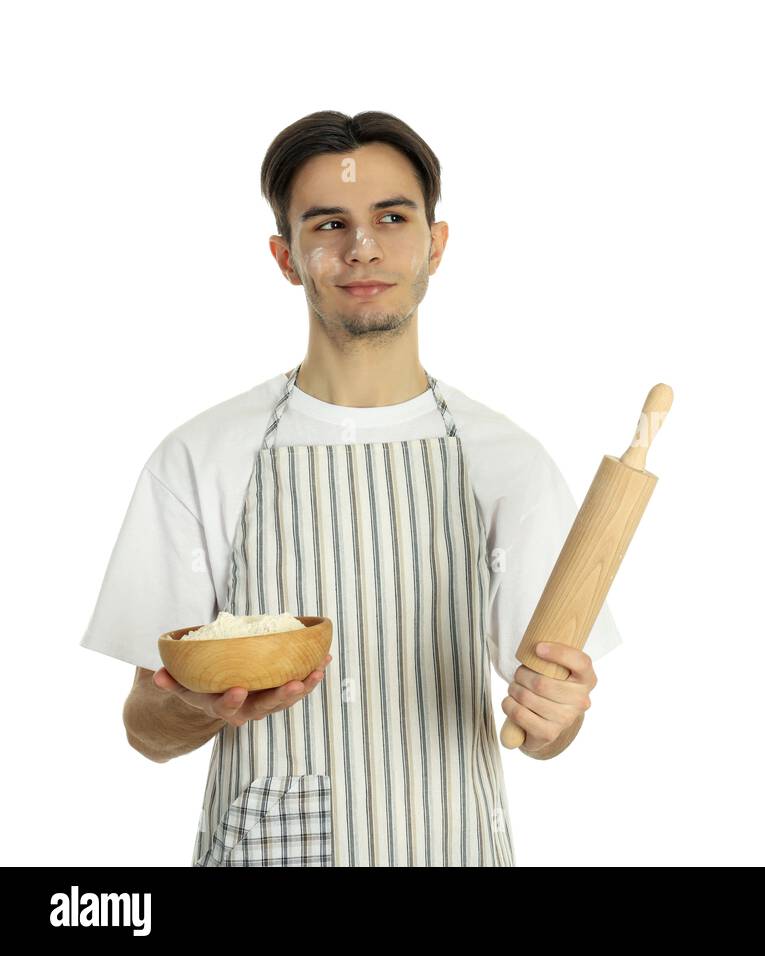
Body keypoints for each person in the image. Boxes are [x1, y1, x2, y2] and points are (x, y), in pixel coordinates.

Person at [80, 110, 620, 867]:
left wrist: (557, 716)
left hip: (452, 846)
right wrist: (192, 706)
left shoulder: (509, 462)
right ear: (286, 256)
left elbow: (545, 728)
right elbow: (146, 730)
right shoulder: (199, 457)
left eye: (391, 218)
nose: (362, 247)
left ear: (435, 243)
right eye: (328, 223)